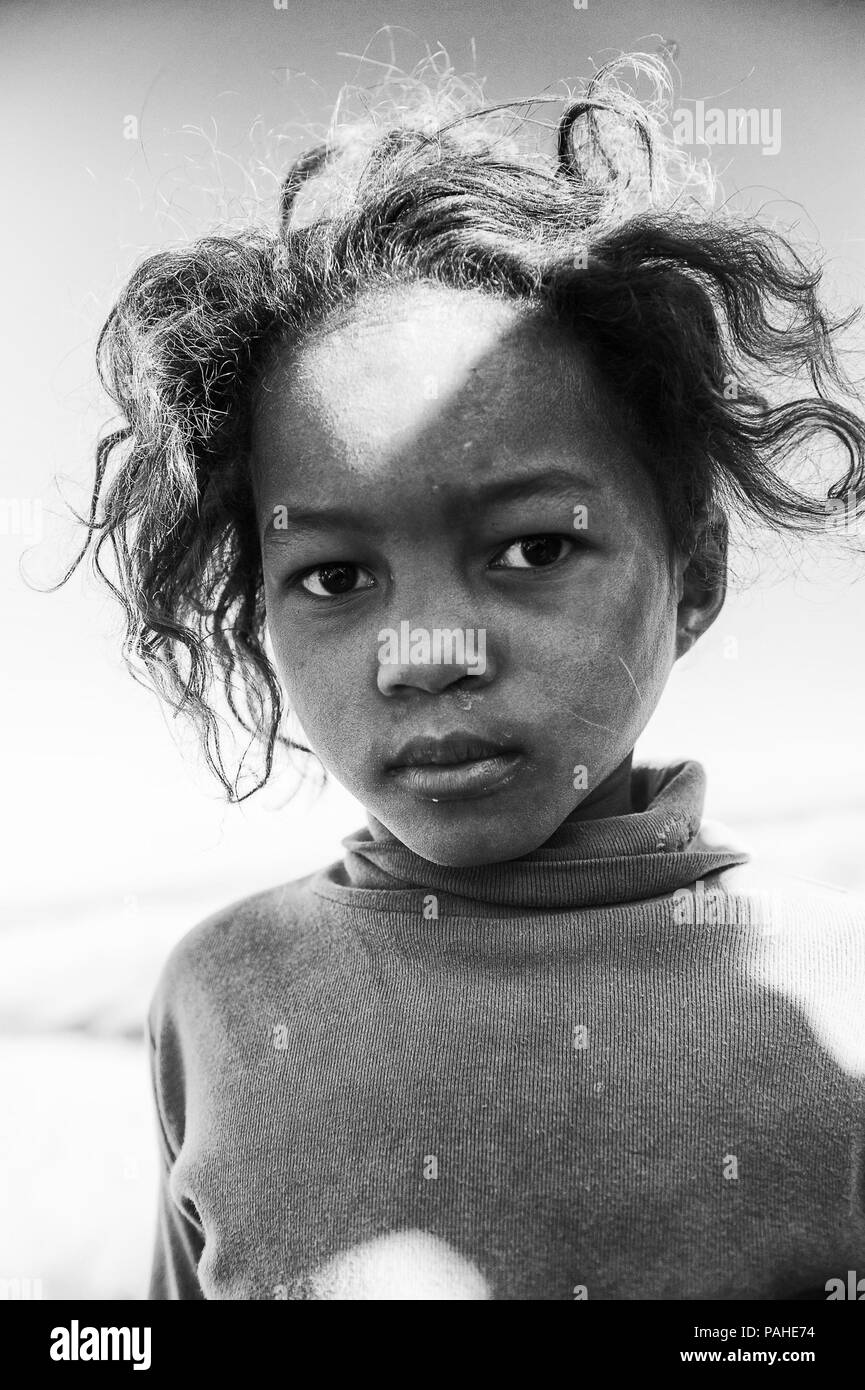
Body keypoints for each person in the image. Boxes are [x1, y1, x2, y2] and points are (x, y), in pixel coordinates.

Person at [61, 54, 865, 1299]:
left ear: (692, 574)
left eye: (533, 548)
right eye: (334, 577)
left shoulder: (841, 995)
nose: (426, 654)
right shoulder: (219, 993)